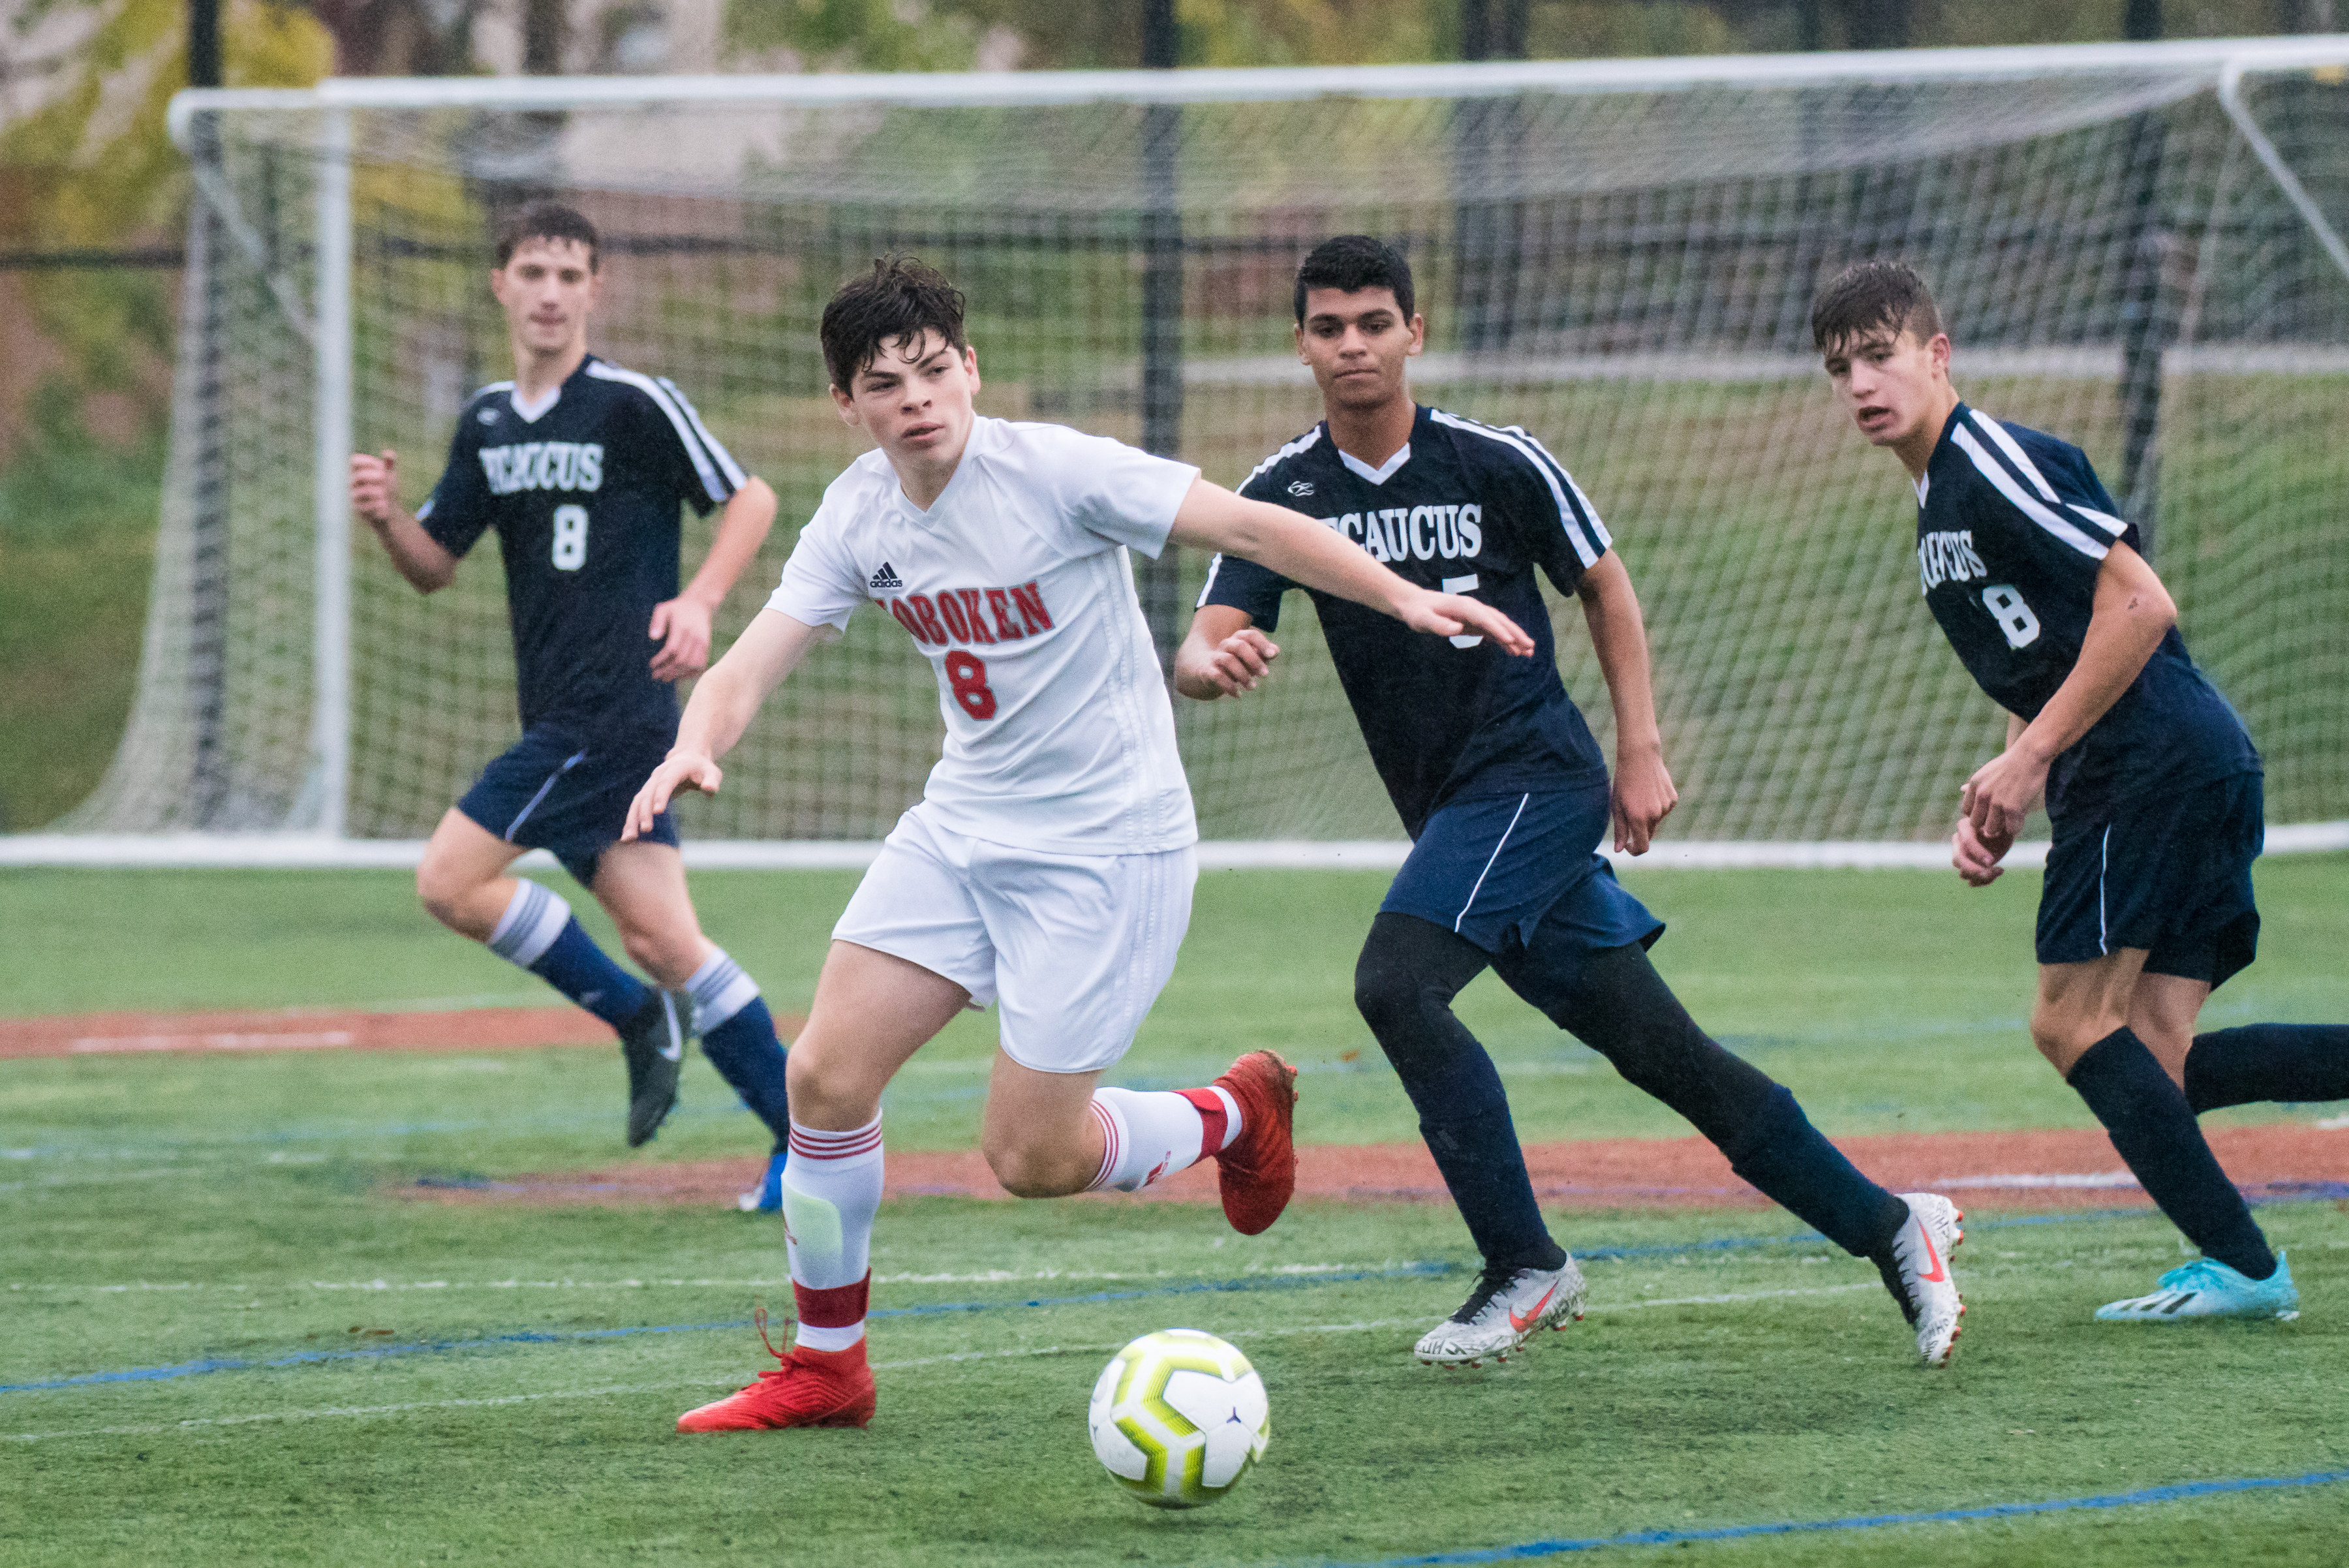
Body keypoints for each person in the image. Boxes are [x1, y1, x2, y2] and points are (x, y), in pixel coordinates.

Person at [625, 256, 1540, 1433]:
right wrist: (696, 742)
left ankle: (1234, 1111)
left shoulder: (1055, 470)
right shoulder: (858, 508)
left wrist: (1404, 597)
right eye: (884, 381)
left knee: (1034, 1160)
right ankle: (826, 1368)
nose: (917, 397)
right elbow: (749, 662)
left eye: (935, 369)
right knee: (825, 1075)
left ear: (972, 370)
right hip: (962, 826)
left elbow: (1252, 523)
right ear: (847, 407)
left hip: (1109, 848)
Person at [1177, 236, 1967, 1370]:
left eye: (1373, 322)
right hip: (1459, 815)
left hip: (1537, 782)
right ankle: (1894, 1227)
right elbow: (1206, 639)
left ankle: (1525, 1266)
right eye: (1329, 326)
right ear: (1300, 345)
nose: (1353, 344)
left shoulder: (1498, 462)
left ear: (1416, 330)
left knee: (1396, 986)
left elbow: (1602, 581)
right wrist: (1215, 665)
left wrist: (1640, 749)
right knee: (1670, 1056)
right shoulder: (1283, 492)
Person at [1813, 258, 2349, 1321]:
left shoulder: (1989, 460)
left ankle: (2247, 1272)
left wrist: (2031, 758)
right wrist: (2012, 784)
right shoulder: (1940, 498)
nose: (1862, 384)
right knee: (2155, 1053)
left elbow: (2141, 607)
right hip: (2183, 760)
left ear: (1936, 353)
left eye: (1880, 356)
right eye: (1839, 369)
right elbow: (2049, 651)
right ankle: (2241, 1268)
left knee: (2069, 1025)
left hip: (2147, 761)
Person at [348, 201, 795, 1188]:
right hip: (564, 715)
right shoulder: (487, 420)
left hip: (611, 713)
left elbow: (751, 496)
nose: (550, 292)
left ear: (596, 290)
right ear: (499, 284)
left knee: (449, 880)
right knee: (666, 940)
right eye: (532, 273)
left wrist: (701, 600)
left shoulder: (633, 402)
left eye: (569, 275)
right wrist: (386, 520)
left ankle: (635, 1017)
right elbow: (435, 566)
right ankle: (807, 1143)